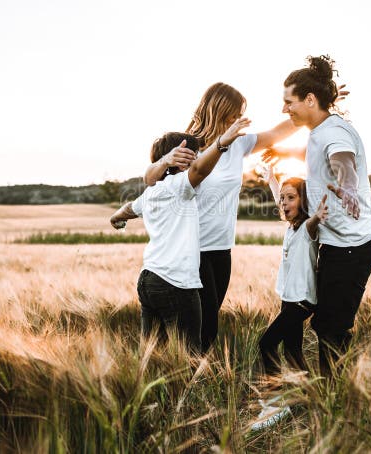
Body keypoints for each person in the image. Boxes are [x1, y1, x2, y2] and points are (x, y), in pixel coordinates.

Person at [142, 82, 347, 353]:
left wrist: (321, 102)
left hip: (221, 251)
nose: (239, 119)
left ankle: (177, 382)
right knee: (201, 331)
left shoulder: (239, 144)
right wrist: (165, 160)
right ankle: (173, 383)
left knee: (205, 330)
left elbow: (278, 132)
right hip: (191, 250)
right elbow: (150, 180)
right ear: (220, 111)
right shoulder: (187, 145)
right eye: (236, 113)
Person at [263, 55, 371, 377]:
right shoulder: (319, 131)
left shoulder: (334, 133)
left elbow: (342, 159)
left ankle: (332, 395)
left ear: (310, 99)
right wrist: (285, 152)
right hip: (336, 242)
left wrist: (349, 187)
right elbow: (316, 154)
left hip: (354, 246)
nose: (284, 109)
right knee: (325, 323)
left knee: (331, 327)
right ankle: (328, 389)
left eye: (289, 102)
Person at [109, 117, 250, 353]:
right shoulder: (179, 187)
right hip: (177, 284)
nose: (197, 158)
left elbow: (128, 209)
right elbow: (199, 170)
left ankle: (150, 390)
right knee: (188, 356)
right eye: (194, 154)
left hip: (148, 280)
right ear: (181, 158)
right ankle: (184, 391)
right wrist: (222, 142)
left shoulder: (152, 191)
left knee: (152, 354)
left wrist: (116, 218)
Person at [250, 164, 328, 431]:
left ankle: (274, 401)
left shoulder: (307, 228)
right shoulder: (291, 226)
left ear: (303, 201)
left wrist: (318, 214)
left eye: (291, 197)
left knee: (266, 344)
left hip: (301, 301)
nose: (283, 203)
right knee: (292, 350)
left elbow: (314, 221)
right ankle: (309, 398)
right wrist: (272, 179)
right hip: (289, 298)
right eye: (282, 198)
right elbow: (279, 199)